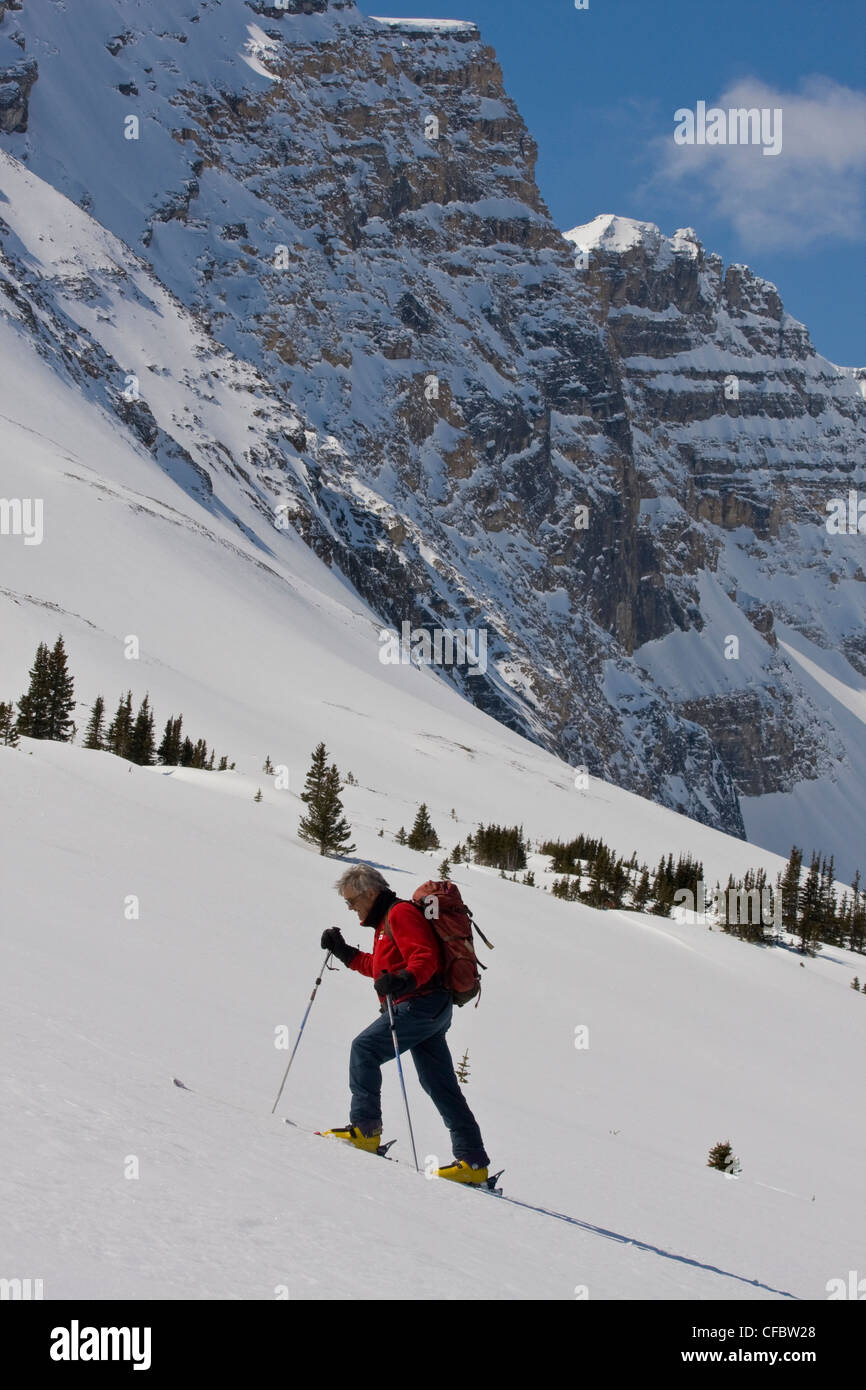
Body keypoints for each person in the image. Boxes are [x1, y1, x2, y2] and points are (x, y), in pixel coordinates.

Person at [320, 864, 491, 1184]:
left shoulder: (400, 915)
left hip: (420, 1004)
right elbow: (380, 966)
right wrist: (344, 952)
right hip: (429, 1007)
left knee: (365, 1048)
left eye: (352, 901)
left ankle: (365, 1130)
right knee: (439, 1084)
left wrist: (405, 979)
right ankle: (473, 1161)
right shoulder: (385, 923)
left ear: (370, 893)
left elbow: (424, 958)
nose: (351, 908)